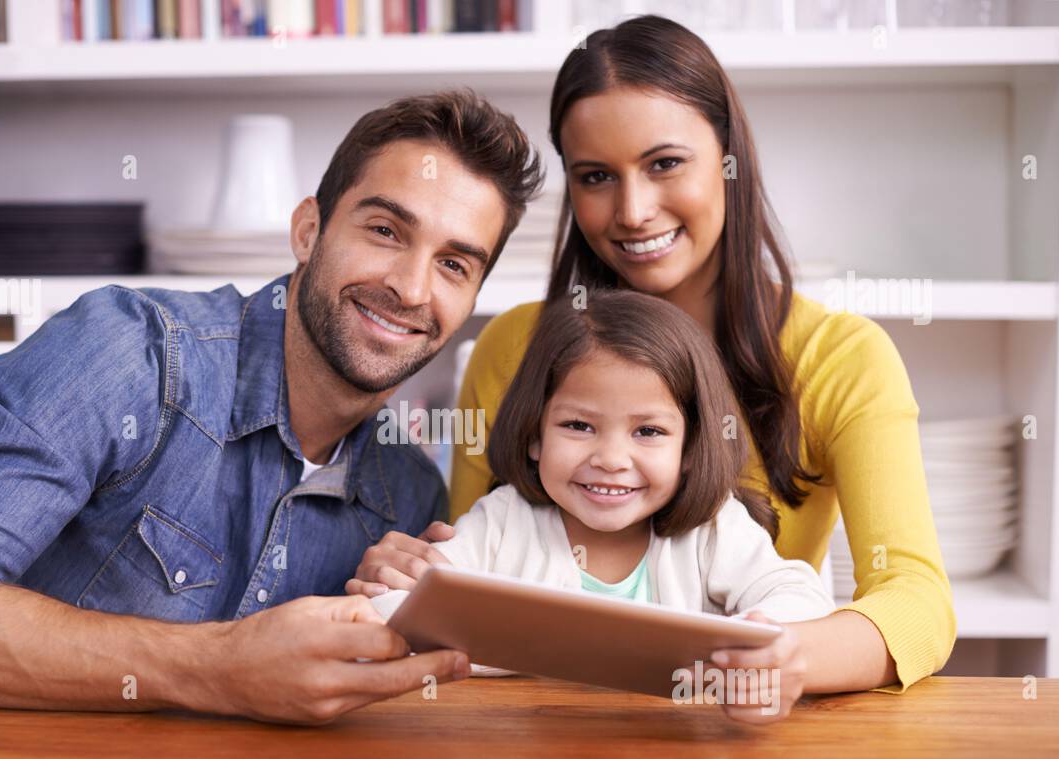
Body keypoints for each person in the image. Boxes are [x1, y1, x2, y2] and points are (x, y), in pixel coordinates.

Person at [0, 89, 544, 725]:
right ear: (308, 230)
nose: (413, 288)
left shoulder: (407, 494)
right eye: (385, 230)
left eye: (455, 264)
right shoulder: (127, 351)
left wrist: (402, 619)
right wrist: (217, 665)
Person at [349, 16, 956, 713]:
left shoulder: (840, 358)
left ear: (729, 158)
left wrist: (791, 656)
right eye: (597, 176)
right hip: (528, 732)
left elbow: (918, 601)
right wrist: (417, 575)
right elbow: (488, 565)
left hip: (727, 725)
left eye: (665, 163)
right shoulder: (513, 350)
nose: (633, 211)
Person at [356, 290, 835, 715]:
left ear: (689, 451)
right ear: (534, 435)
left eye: (648, 432)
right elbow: (398, 610)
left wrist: (758, 642)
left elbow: (801, 600)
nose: (610, 459)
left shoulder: (713, 529)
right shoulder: (503, 520)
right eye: (578, 426)